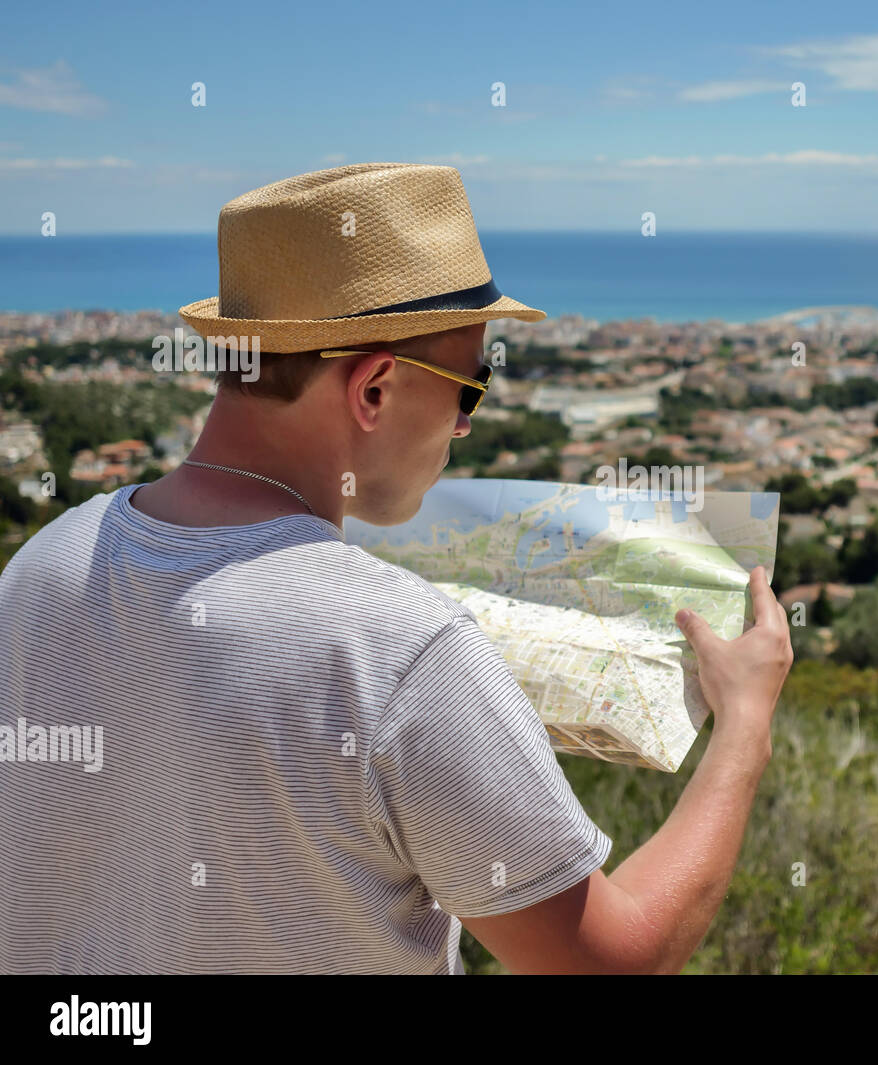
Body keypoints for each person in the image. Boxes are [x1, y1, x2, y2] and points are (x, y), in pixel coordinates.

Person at [0, 163, 792, 975]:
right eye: (470, 389)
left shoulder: (38, 568)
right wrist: (744, 728)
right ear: (374, 389)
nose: (465, 427)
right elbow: (610, 964)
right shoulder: (402, 648)